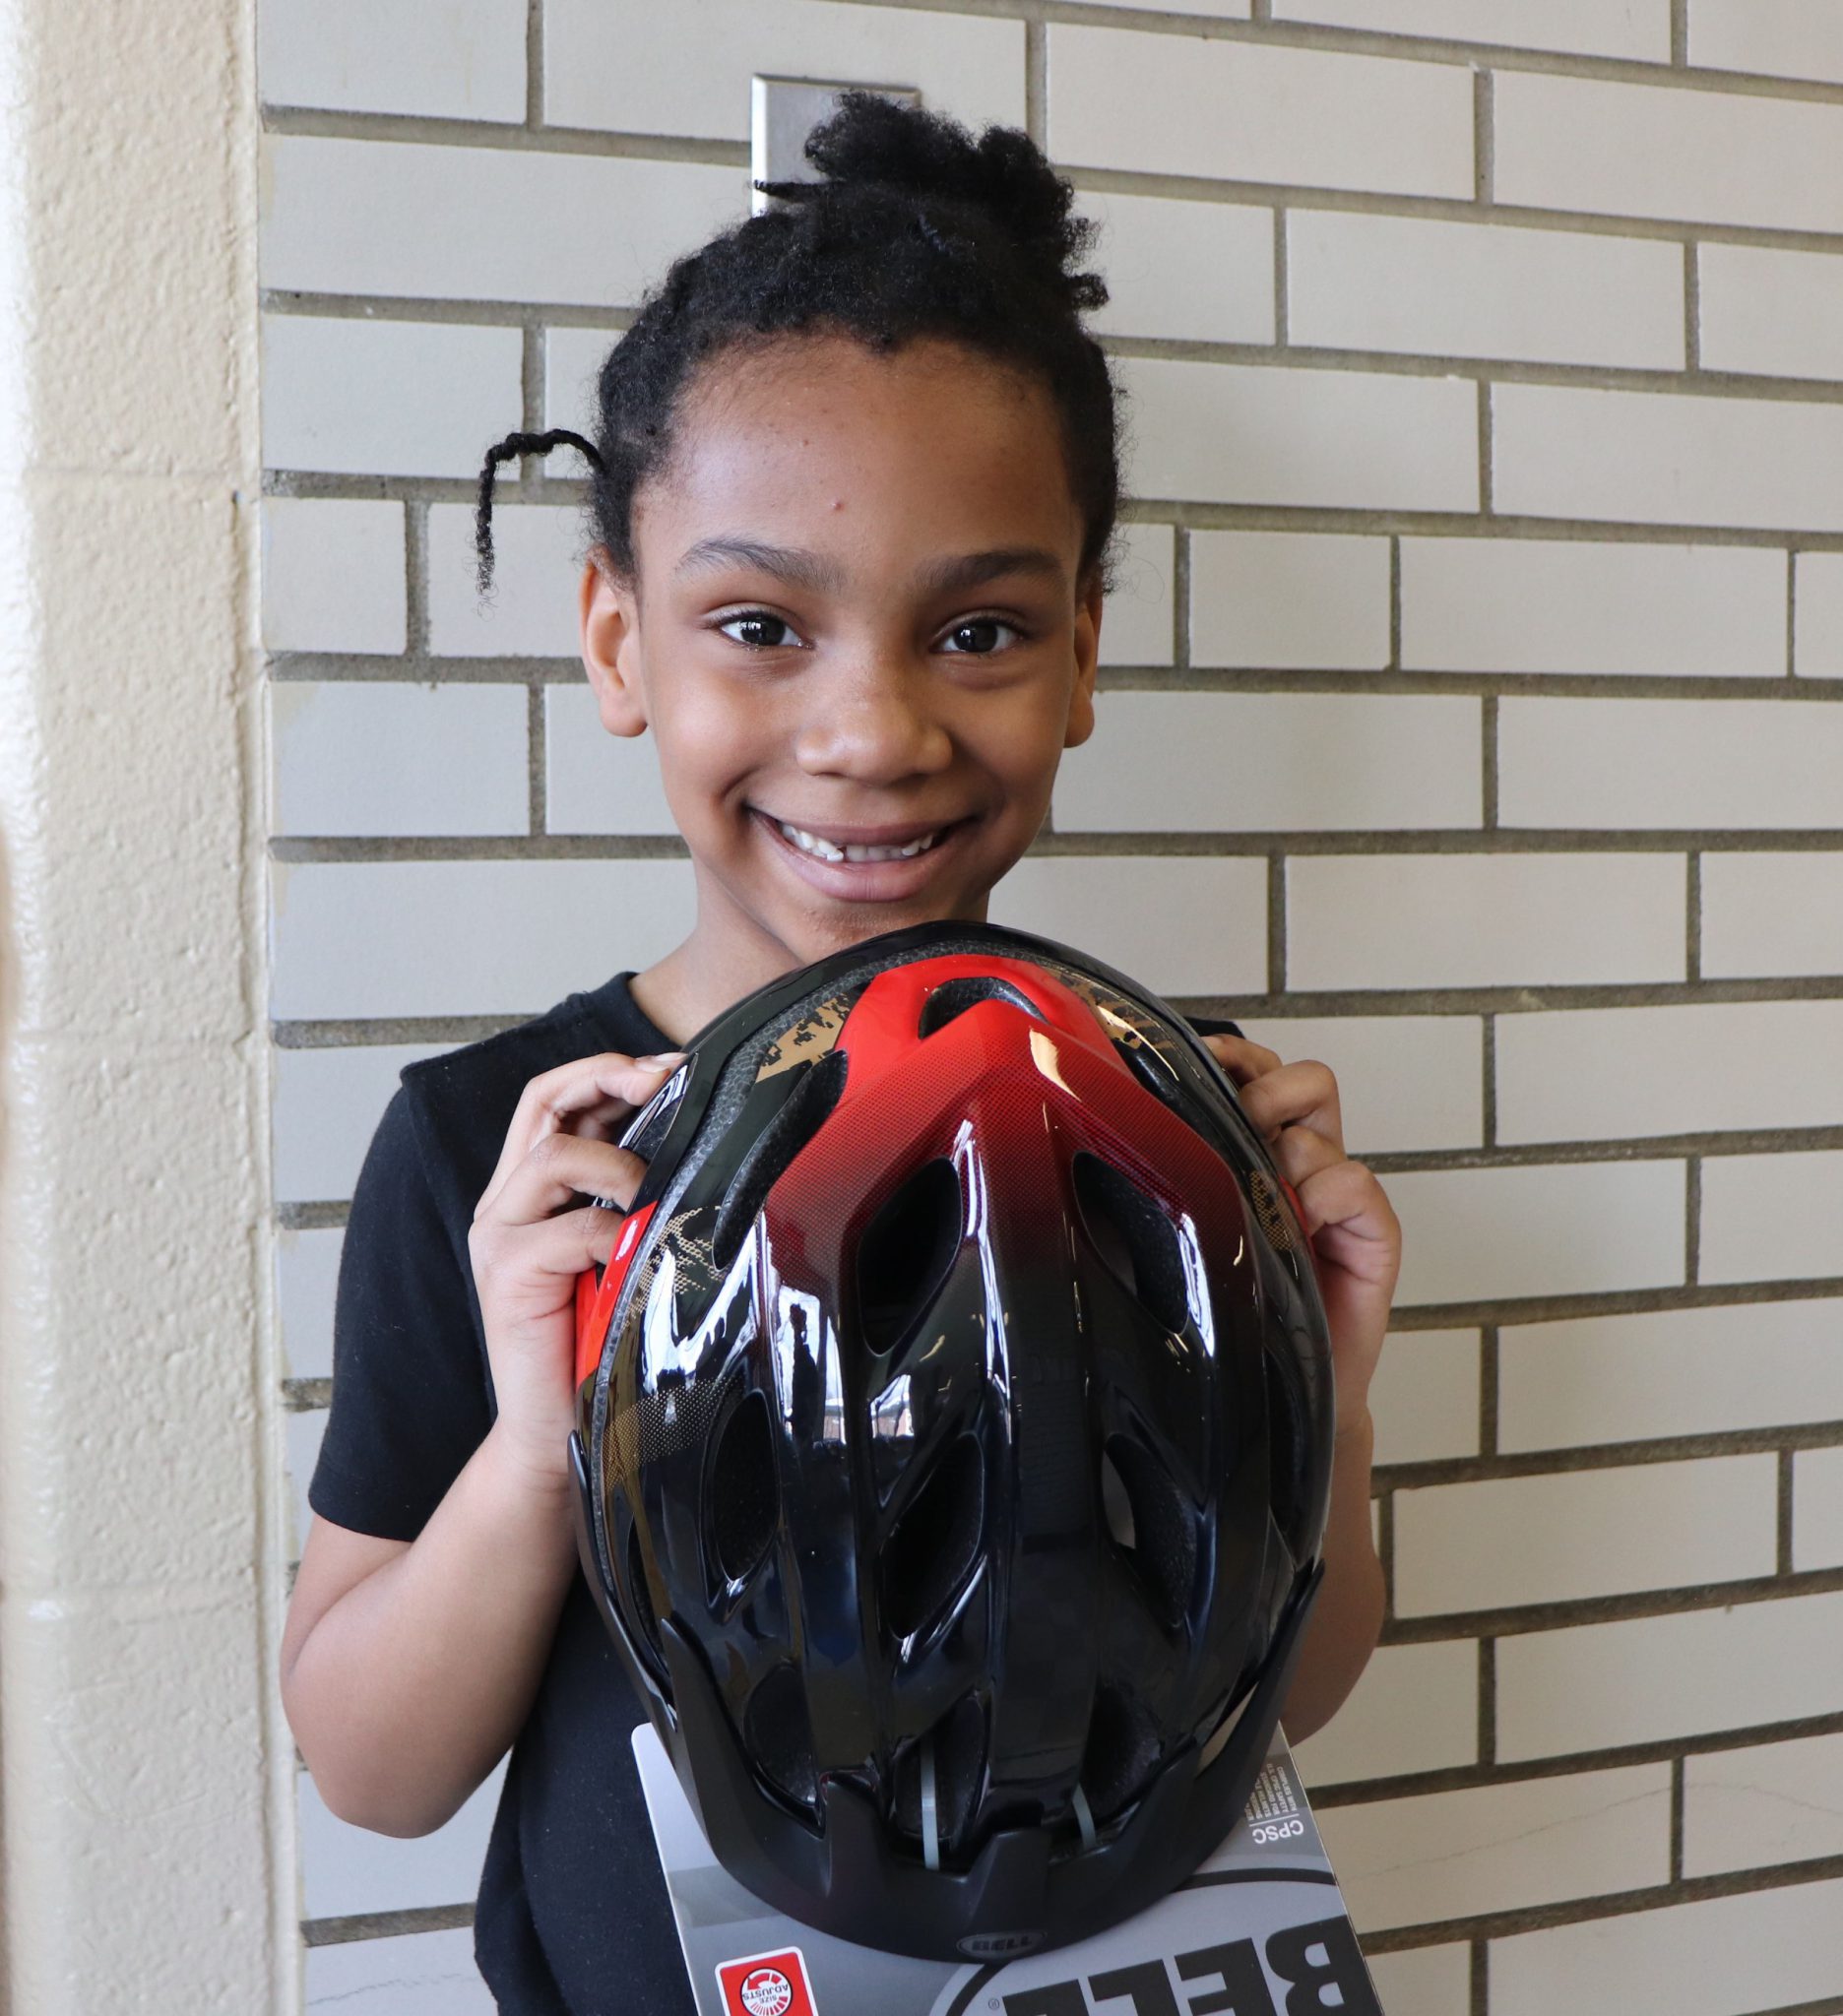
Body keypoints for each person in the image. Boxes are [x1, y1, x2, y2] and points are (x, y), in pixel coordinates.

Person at [280, 91, 1402, 2016]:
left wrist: (1326, 1401)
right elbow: (370, 1766)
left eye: (975, 627)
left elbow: (1284, 1684)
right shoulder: (502, 1153)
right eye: (757, 623)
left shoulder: (1164, 1134)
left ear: (1081, 660)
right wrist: (544, 1443)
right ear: (619, 644)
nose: (872, 728)